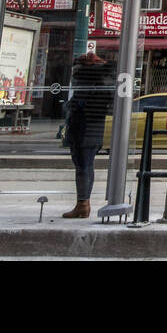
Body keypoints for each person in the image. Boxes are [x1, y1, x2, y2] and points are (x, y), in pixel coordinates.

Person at [63, 51, 115, 219]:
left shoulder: (88, 80)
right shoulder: (102, 80)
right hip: (93, 126)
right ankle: (83, 203)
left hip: (84, 125)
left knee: (82, 165)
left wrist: (72, 105)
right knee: (86, 165)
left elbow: (79, 102)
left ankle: (83, 203)